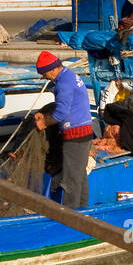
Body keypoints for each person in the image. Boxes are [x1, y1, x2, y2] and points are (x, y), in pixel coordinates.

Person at [35, 50, 93, 207]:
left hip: (75, 136)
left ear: (53, 69)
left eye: (44, 73)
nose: (44, 77)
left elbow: (61, 112)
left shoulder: (63, 83)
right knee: (80, 176)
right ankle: (83, 211)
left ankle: (71, 218)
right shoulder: (69, 75)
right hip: (85, 133)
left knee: (71, 181)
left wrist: (44, 122)